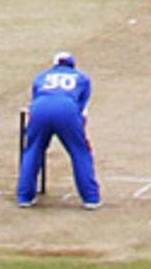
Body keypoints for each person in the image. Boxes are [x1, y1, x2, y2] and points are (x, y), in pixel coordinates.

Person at [16, 51, 101, 209]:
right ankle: (91, 198)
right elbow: (82, 110)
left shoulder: (41, 76)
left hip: (40, 108)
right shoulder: (82, 78)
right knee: (79, 152)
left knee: (33, 150)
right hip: (67, 109)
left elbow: (35, 99)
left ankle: (24, 196)